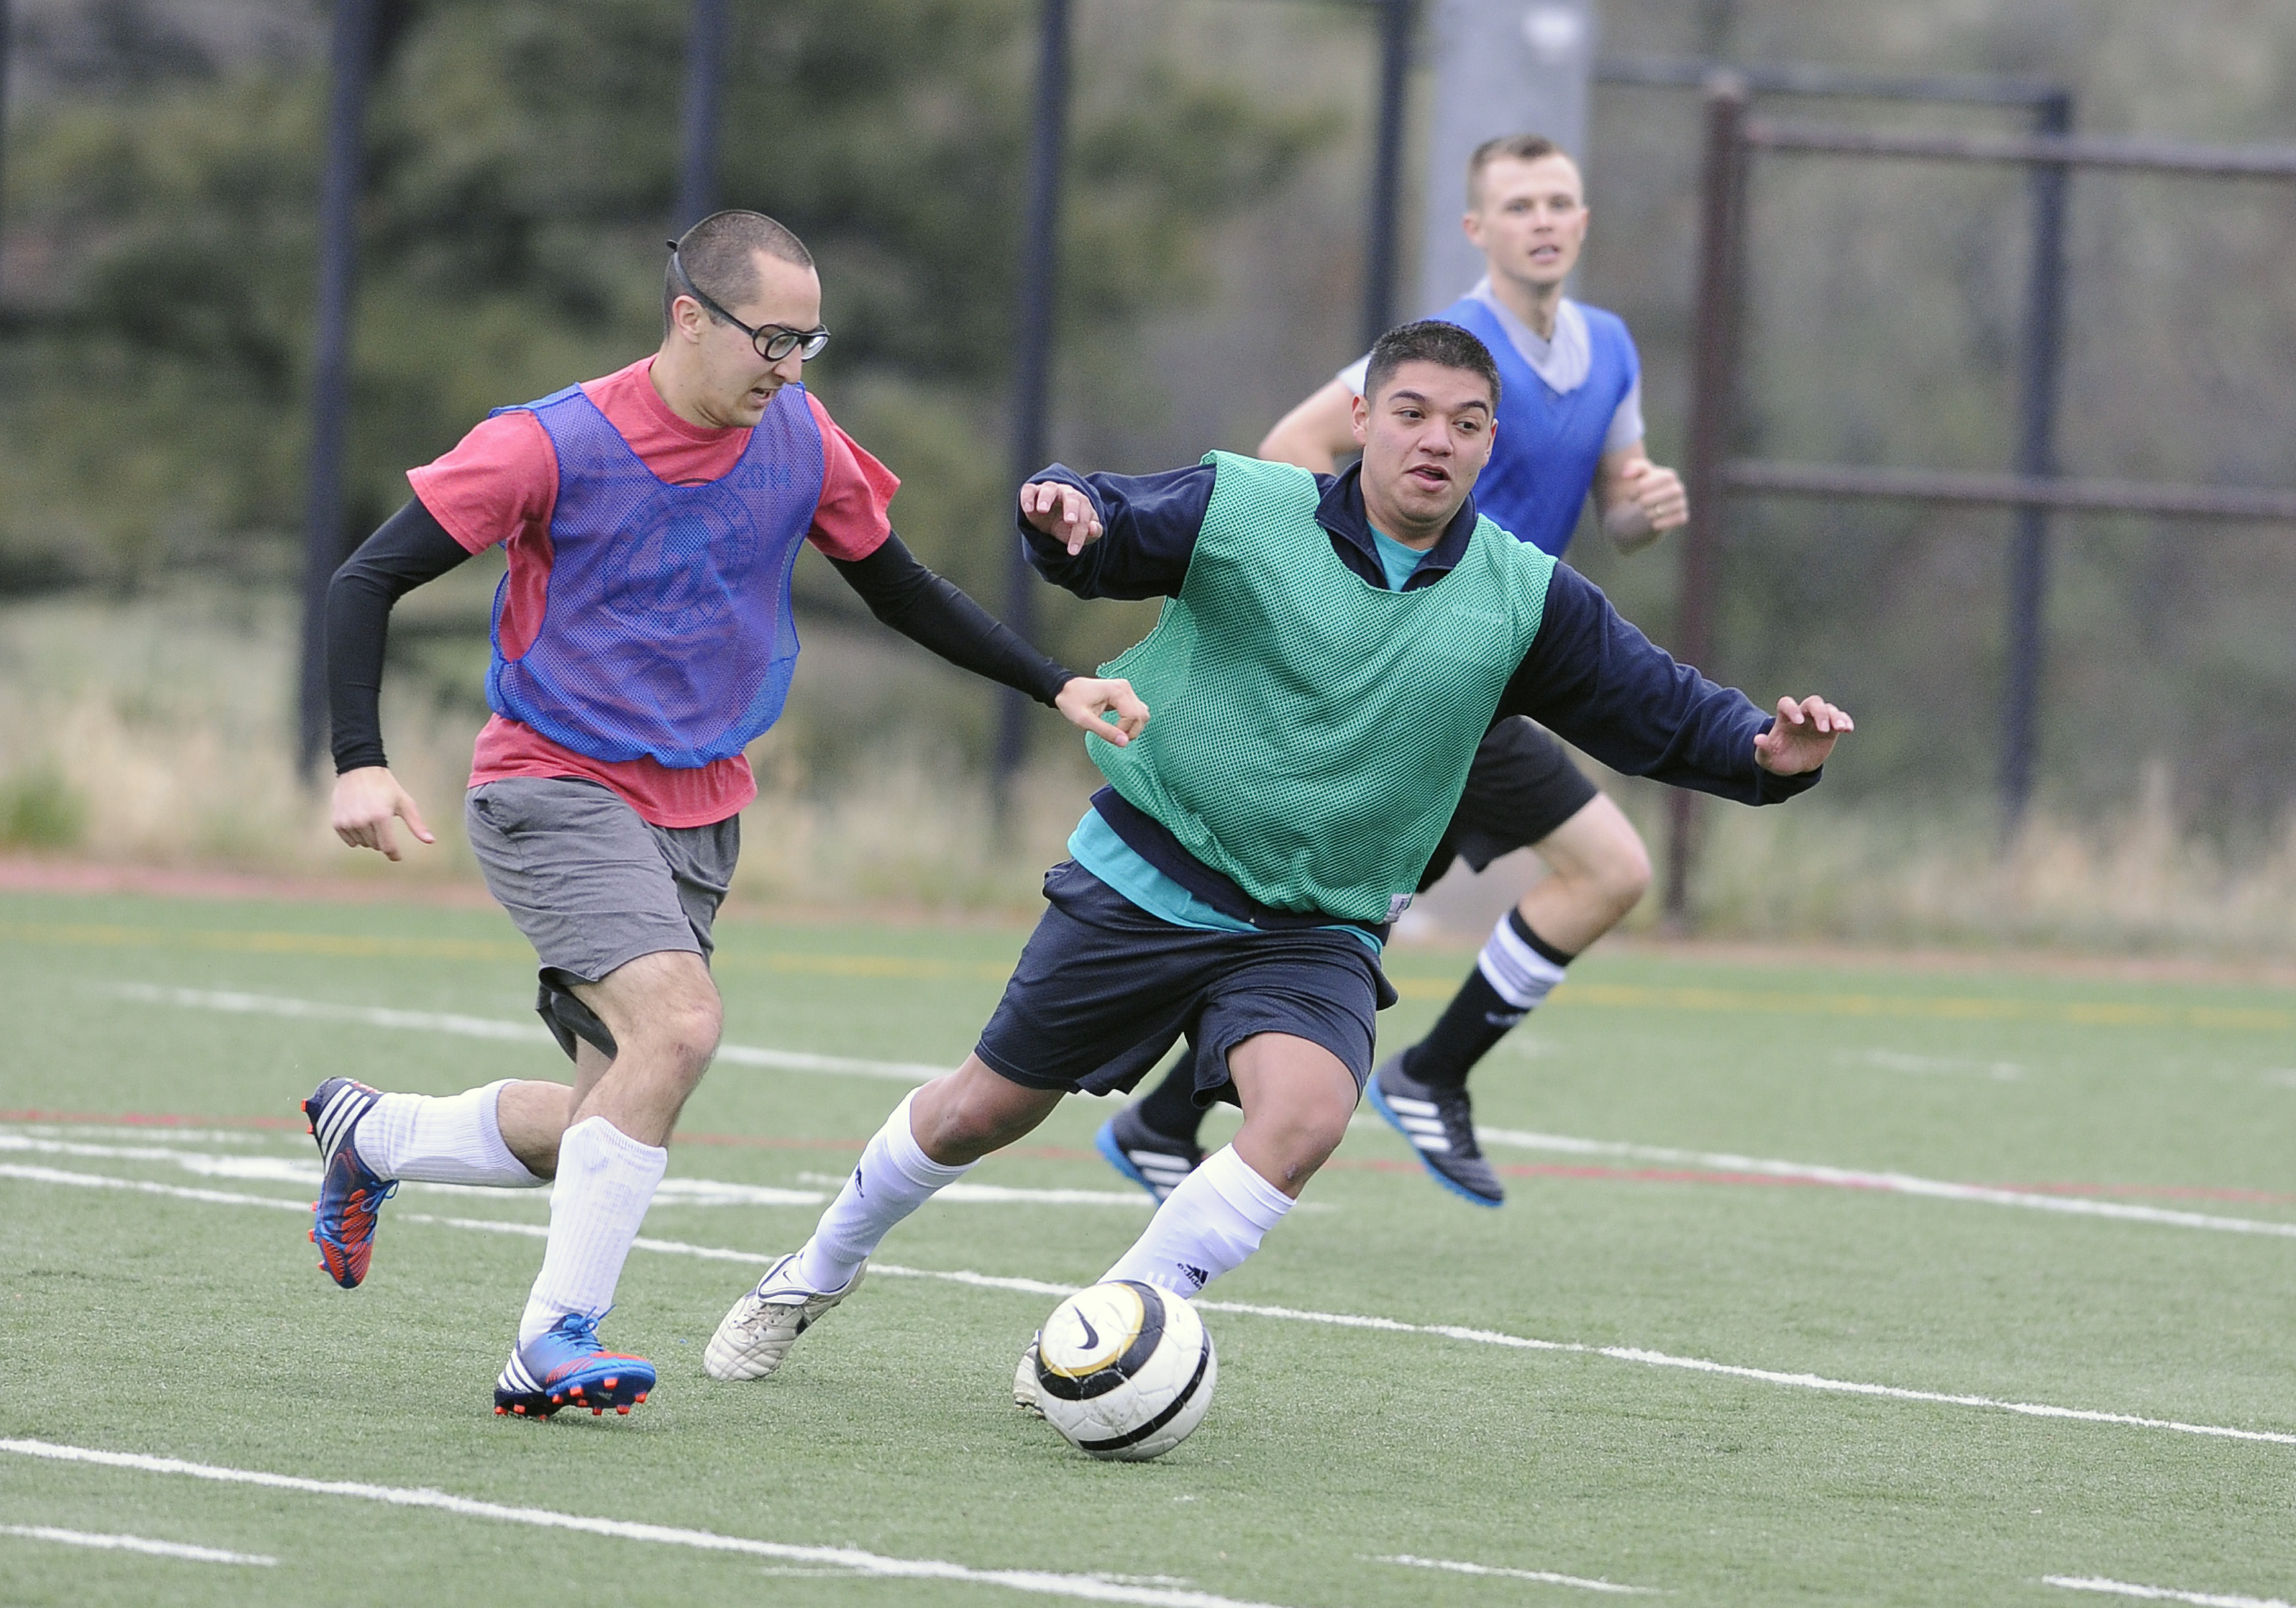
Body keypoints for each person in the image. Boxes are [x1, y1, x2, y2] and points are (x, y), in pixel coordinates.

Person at [699, 320, 1848, 1406]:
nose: (1435, 440)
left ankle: (1114, 1329)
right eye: (1411, 412)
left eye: (1465, 422)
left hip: (1318, 923)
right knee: (979, 1113)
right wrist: (1072, 521)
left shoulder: (1526, 596)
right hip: (1151, 878)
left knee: (1303, 1116)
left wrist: (1765, 752)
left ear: (1490, 441)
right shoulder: (1249, 506)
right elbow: (1114, 523)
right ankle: (815, 1268)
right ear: (1360, 417)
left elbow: (1661, 708)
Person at [298, 209, 1146, 1421]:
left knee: (608, 1106)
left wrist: (1055, 683)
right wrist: (360, 761)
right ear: (689, 315)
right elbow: (364, 578)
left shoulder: (799, 435)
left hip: (701, 812)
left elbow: (898, 587)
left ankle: (374, 1136)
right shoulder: (547, 444)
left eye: (809, 342)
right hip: (554, 784)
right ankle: (551, 1342)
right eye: (770, 339)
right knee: (682, 1028)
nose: (788, 368)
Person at [1101, 132, 1689, 1209]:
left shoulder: (1609, 347)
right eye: (1519, 206)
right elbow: (1292, 446)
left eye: (1560, 201)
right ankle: (1426, 1074)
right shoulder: (1449, 347)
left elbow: (1615, 504)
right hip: (1428, 670)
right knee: (1593, 873)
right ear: (1478, 229)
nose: (1544, 221)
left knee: (1348, 911)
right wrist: (1361, 598)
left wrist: (1640, 513)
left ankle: (1173, 1117)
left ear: (1585, 219)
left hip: (1485, 678)